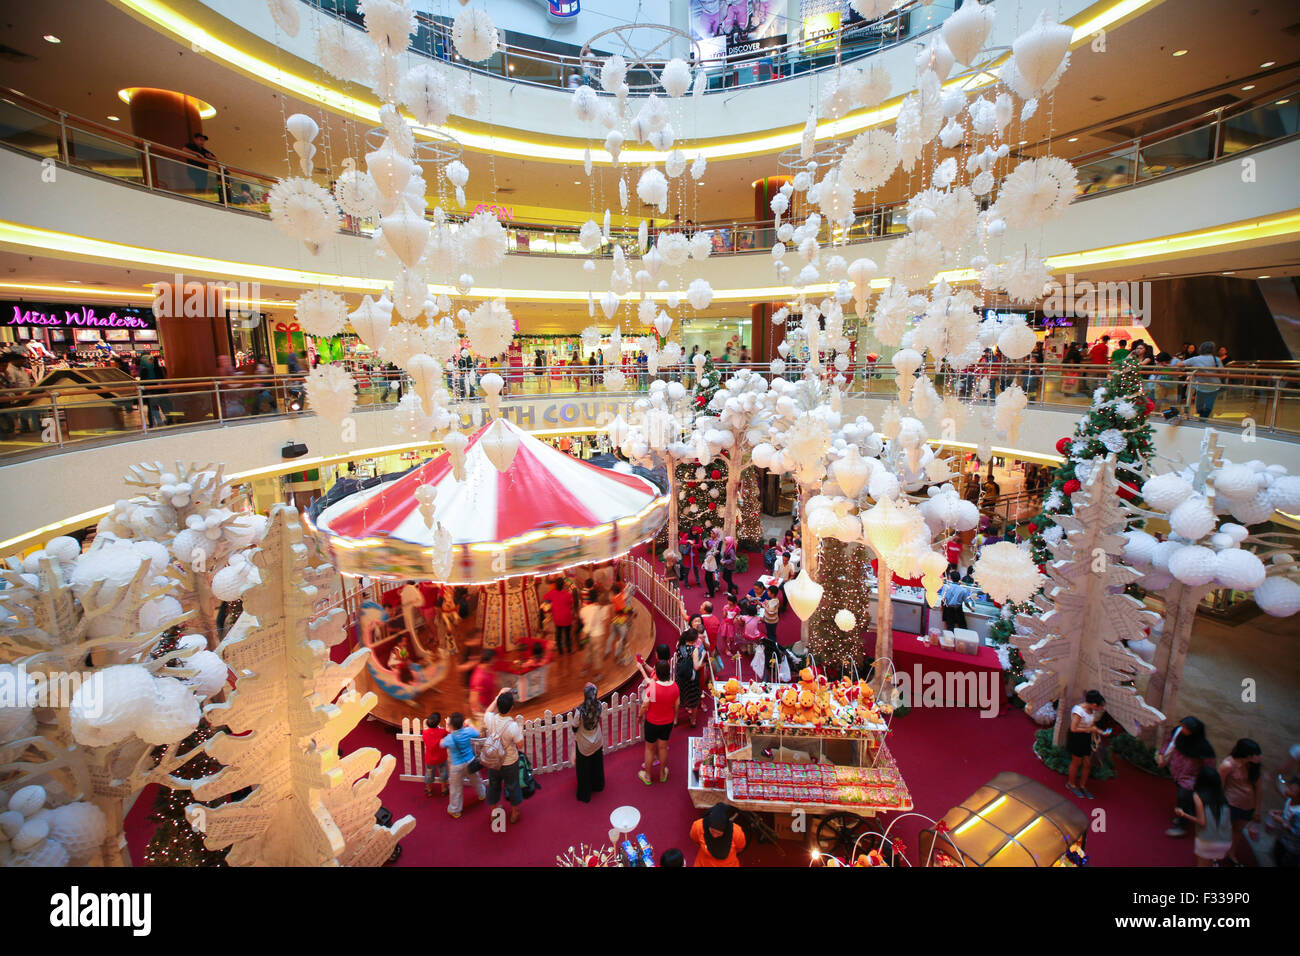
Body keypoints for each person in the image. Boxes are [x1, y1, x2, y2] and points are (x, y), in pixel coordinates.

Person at [1156, 716, 1217, 837]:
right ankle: (1190, 813)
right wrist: (1162, 754)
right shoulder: (1179, 733)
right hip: (1177, 773)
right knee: (1184, 798)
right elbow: (1170, 741)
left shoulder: (1203, 748)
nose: (1182, 729)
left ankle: (1181, 825)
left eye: (1185, 728)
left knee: (1183, 798)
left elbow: (1209, 766)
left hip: (1191, 778)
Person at [1175, 766, 1233, 866]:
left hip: (1207, 841)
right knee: (1210, 860)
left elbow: (1202, 822)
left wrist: (1183, 814)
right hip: (1225, 841)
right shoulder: (1222, 797)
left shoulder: (1198, 796)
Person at [482, 689, 525, 824]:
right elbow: (520, 746)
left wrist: (497, 697)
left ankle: (494, 810)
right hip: (509, 762)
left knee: (494, 785)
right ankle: (514, 812)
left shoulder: (490, 719)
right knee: (512, 785)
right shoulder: (512, 726)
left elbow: (487, 711)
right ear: (511, 707)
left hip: (493, 761)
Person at [1219, 738, 1263, 865]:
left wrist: (1257, 810)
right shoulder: (1228, 765)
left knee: (1238, 830)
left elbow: (1258, 790)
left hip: (1248, 806)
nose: (1259, 757)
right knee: (1223, 830)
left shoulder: (1253, 766)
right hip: (1230, 804)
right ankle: (1215, 855)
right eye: (1256, 754)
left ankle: (1231, 854)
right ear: (1247, 754)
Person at [639, 659, 679, 785]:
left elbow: (645, 705)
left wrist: (639, 716)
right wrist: (675, 717)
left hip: (652, 722)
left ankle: (648, 776)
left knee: (649, 749)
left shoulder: (654, 687)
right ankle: (662, 773)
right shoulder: (674, 686)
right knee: (662, 747)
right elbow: (677, 704)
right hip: (667, 722)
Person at [1066, 691, 1109, 800]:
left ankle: (1083, 785)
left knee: (1087, 763)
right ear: (1094, 704)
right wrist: (1091, 729)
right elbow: (1073, 728)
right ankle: (1071, 784)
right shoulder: (1079, 711)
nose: (1100, 709)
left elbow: (1091, 724)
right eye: (1099, 706)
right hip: (1077, 738)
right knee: (1076, 762)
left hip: (1086, 737)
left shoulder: (1091, 711)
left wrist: (1100, 731)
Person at [442, 712, 485, 818]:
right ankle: (482, 794)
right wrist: (470, 724)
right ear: (462, 723)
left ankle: (455, 810)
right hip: (470, 761)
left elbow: (442, 744)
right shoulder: (468, 731)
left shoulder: (449, 738)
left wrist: (449, 729)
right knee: (476, 779)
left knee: (455, 788)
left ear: (451, 725)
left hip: (456, 766)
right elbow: (478, 734)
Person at [571, 683, 605, 803]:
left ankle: (584, 793)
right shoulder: (599, 705)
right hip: (597, 740)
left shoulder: (580, 711)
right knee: (597, 763)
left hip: (584, 744)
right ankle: (598, 785)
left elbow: (574, 726)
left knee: (583, 769)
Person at [1172, 341, 1224, 418]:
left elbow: (1180, 364)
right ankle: (1204, 417)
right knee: (1209, 404)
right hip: (1214, 385)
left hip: (1200, 385)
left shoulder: (1195, 359)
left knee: (1199, 403)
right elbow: (1222, 372)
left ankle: (1201, 416)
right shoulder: (1216, 359)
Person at [675, 623, 707, 727]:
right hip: (692, 679)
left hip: (680, 676)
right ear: (694, 640)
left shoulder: (679, 645)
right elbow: (696, 667)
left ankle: (675, 720)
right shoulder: (695, 650)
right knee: (693, 700)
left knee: (678, 698)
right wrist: (702, 657)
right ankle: (693, 721)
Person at [578, 591, 610, 678]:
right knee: (597, 655)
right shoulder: (602, 608)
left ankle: (584, 670)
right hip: (598, 635)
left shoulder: (584, 609)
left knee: (587, 652)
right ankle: (597, 675)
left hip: (587, 635)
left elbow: (582, 620)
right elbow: (606, 622)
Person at [544, 577, 576, 655]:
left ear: (555, 585)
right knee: (567, 635)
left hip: (557, 618)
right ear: (563, 585)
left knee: (558, 634)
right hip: (566, 618)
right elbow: (571, 603)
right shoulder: (567, 594)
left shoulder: (552, 593)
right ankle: (569, 650)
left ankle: (560, 651)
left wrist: (550, 603)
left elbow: (545, 598)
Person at [422, 711, 449, 797]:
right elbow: (448, 732)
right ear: (438, 722)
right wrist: (447, 723)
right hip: (441, 757)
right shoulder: (442, 732)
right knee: (443, 772)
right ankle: (444, 789)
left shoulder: (425, 732)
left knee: (429, 774)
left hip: (430, 758)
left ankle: (429, 790)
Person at [468, 648, 497, 720]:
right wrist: (486, 713)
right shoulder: (479, 677)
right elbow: (473, 700)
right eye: (495, 658)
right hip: (482, 712)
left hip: (490, 707)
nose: (496, 660)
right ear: (491, 659)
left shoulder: (488, 669)